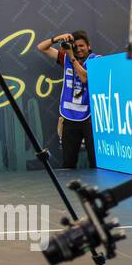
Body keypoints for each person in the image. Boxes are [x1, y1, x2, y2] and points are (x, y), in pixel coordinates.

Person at [36, 30, 99, 170]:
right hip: (69, 116)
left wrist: (72, 57)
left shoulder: (96, 60)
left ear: (89, 46)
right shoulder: (66, 57)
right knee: (68, 163)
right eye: (75, 46)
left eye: (82, 45)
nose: (79, 49)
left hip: (89, 117)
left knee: (95, 161)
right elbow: (41, 47)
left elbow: (85, 78)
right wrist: (57, 38)